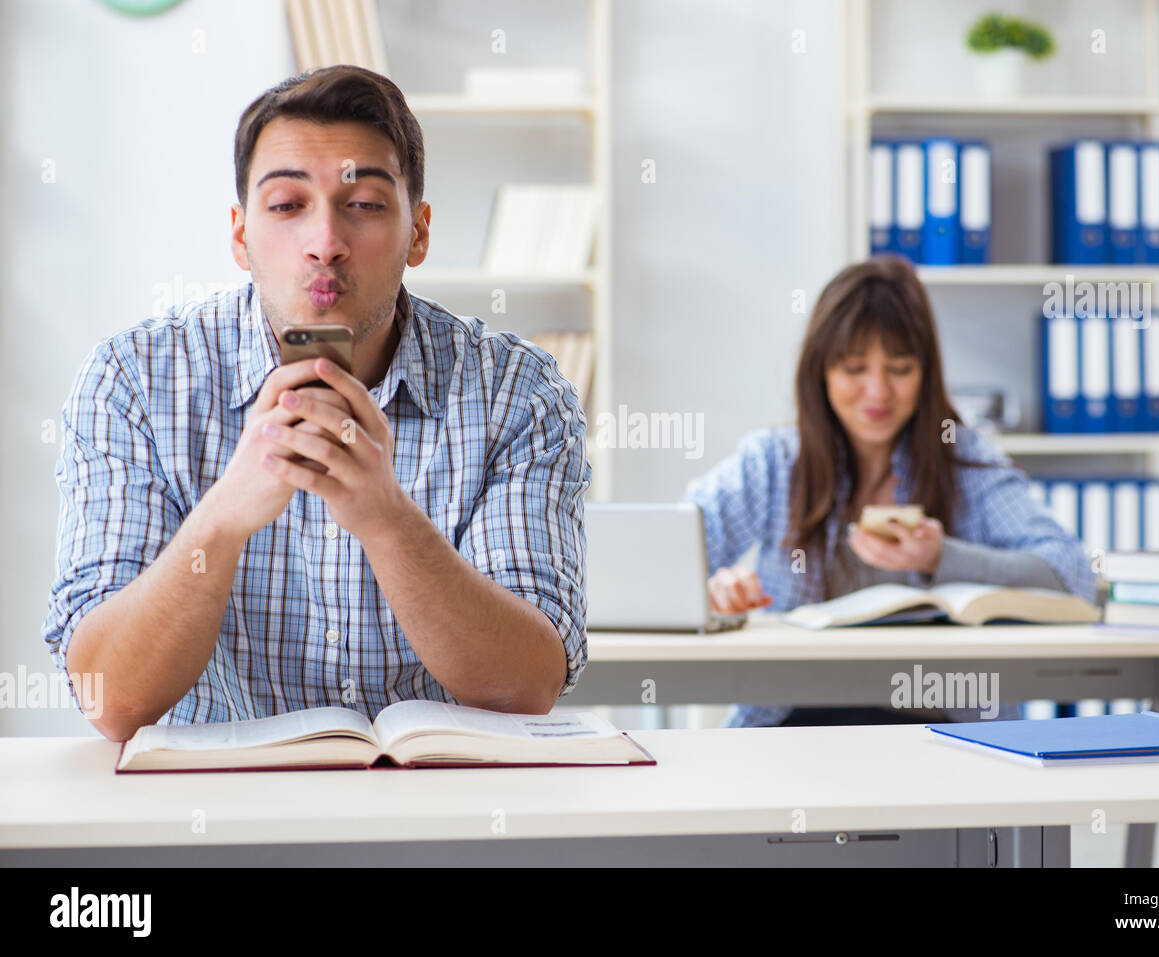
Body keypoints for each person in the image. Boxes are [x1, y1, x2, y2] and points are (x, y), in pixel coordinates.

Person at [42, 65, 591, 741]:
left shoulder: (520, 393)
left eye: (362, 204)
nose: (325, 241)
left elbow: (526, 688)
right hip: (212, 828)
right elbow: (112, 700)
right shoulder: (131, 381)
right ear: (241, 236)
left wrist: (388, 520)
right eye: (287, 205)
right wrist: (224, 516)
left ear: (417, 232)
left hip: (440, 824)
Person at [684, 256, 1096, 728]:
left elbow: (1074, 575)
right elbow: (669, 552)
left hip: (937, 734)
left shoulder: (964, 462)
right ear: (821, 372)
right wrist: (713, 586)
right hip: (790, 730)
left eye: (899, 368)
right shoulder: (775, 461)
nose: (877, 392)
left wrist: (941, 557)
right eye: (855, 368)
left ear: (926, 373)